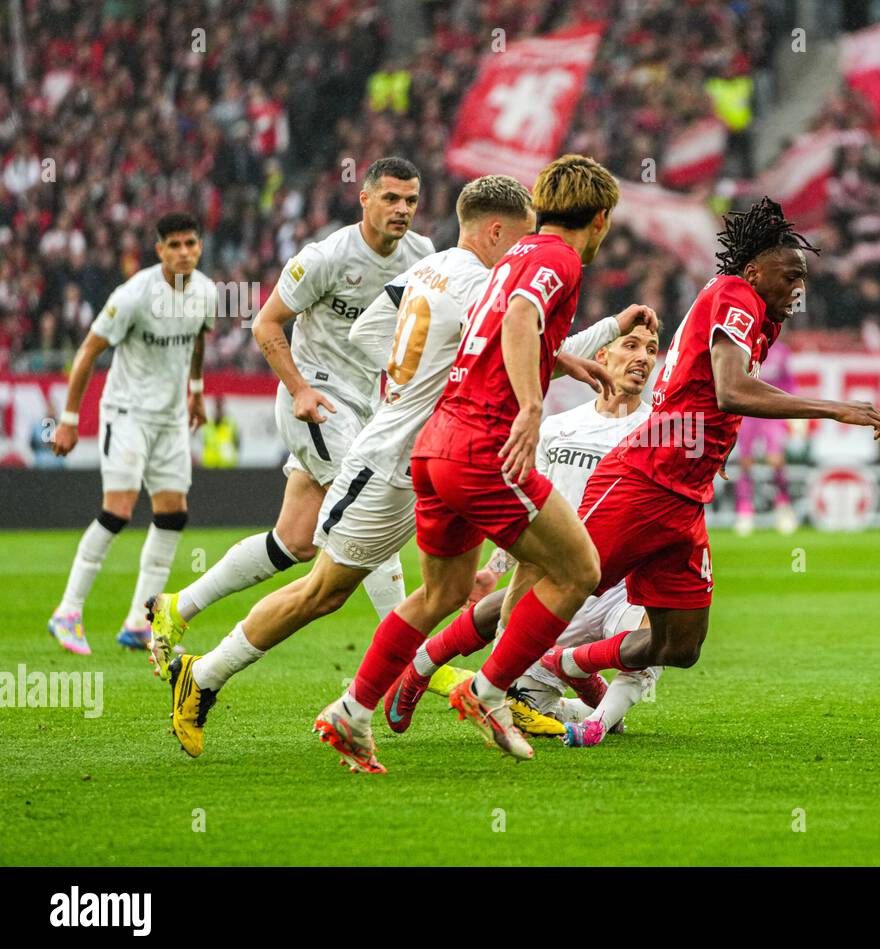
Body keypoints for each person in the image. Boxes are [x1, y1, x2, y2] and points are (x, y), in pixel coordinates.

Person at [164, 175, 637, 759]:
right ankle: (206, 675)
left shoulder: (429, 268)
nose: (521, 251)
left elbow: (369, 333)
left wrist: (406, 380)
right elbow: (515, 333)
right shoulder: (482, 281)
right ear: (494, 232)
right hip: (394, 461)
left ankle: (498, 689)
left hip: (430, 451)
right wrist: (608, 331)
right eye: (515, 240)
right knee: (323, 592)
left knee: (465, 584)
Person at [314, 154, 654, 771]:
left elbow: (503, 330)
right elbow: (522, 319)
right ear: (600, 218)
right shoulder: (559, 258)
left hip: (436, 443)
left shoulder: (514, 255)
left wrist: (567, 360)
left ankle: (351, 710)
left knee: (443, 592)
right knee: (579, 569)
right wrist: (530, 405)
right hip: (486, 447)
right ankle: (489, 689)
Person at [538, 197, 880, 748]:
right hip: (648, 476)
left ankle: (570, 662)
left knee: (681, 646)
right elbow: (729, 389)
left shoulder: (759, 320)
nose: (799, 285)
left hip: (685, 487)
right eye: (790, 273)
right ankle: (450, 665)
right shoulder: (736, 294)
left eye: (803, 277)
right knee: (562, 580)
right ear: (754, 271)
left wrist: (709, 452)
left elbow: (704, 394)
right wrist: (832, 407)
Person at [146, 158, 433, 674]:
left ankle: (176, 607)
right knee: (374, 506)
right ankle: (410, 661)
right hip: (316, 401)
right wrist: (298, 388)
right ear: (364, 199)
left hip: (366, 406)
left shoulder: (421, 255)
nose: (402, 210)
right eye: (391, 198)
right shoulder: (325, 257)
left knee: (294, 542)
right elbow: (265, 324)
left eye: (410, 200)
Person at [385, 323, 662, 746]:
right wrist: (493, 570)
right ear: (602, 357)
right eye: (631, 345)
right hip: (563, 582)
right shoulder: (556, 427)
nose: (643, 357)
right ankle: (422, 664)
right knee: (524, 693)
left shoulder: (658, 432)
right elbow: (528, 513)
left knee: (653, 639)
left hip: (621, 587)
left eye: (652, 350)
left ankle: (591, 716)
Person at [46, 212, 216, 655]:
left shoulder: (206, 292)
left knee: (173, 515)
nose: (184, 253)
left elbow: (198, 339)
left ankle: (141, 624)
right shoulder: (134, 295)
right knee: (118, 512)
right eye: (174, 245)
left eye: (190, 244)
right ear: (159, 250)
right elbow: (88, 352)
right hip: (126, 414)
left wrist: (195, 391)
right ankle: (67, 612)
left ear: (199, 247)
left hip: (171, 418)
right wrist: (67, 419)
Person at [733, 336, 797, 535]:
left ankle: (783, 507)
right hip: (748, 412)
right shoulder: (744, 347)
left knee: (776, 460)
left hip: (773, 412)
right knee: (746, 462)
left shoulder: (781, 350)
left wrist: (793, 412)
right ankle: (744, 510)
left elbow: (788, 382)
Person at [201, 395, 239, 468]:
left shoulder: (231, 424)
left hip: (227, 467)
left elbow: (237, 444)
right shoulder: (207, 425)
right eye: (216, 406)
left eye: (220, 406)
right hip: (209, 466)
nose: (218, 409)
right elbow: (202, 444)